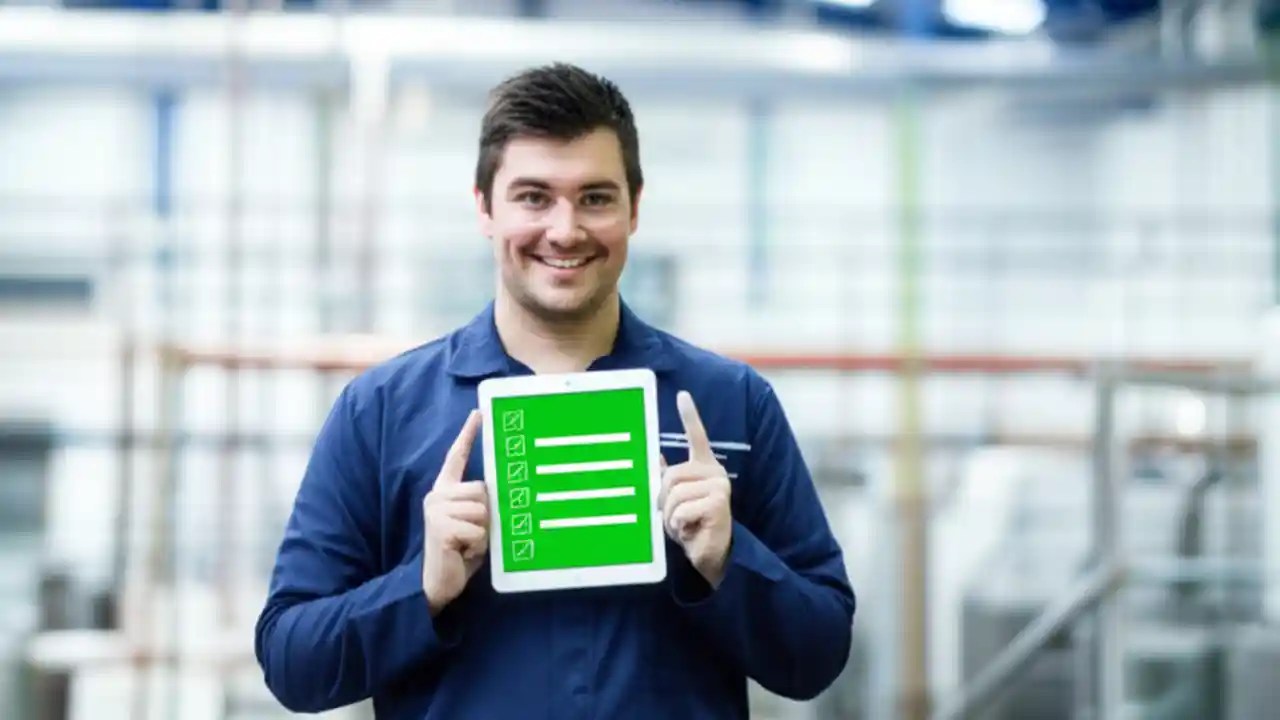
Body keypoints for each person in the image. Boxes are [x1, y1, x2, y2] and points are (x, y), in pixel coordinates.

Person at [254, 62, 856, 719]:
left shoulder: (731, 404)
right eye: (533, 197)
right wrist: (419, 588)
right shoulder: (382, 413)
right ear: (485, 207)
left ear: (635, 207)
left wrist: (727, 558)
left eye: (595, 197)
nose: (565, 230)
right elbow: (293, 662)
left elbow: (818, 655)